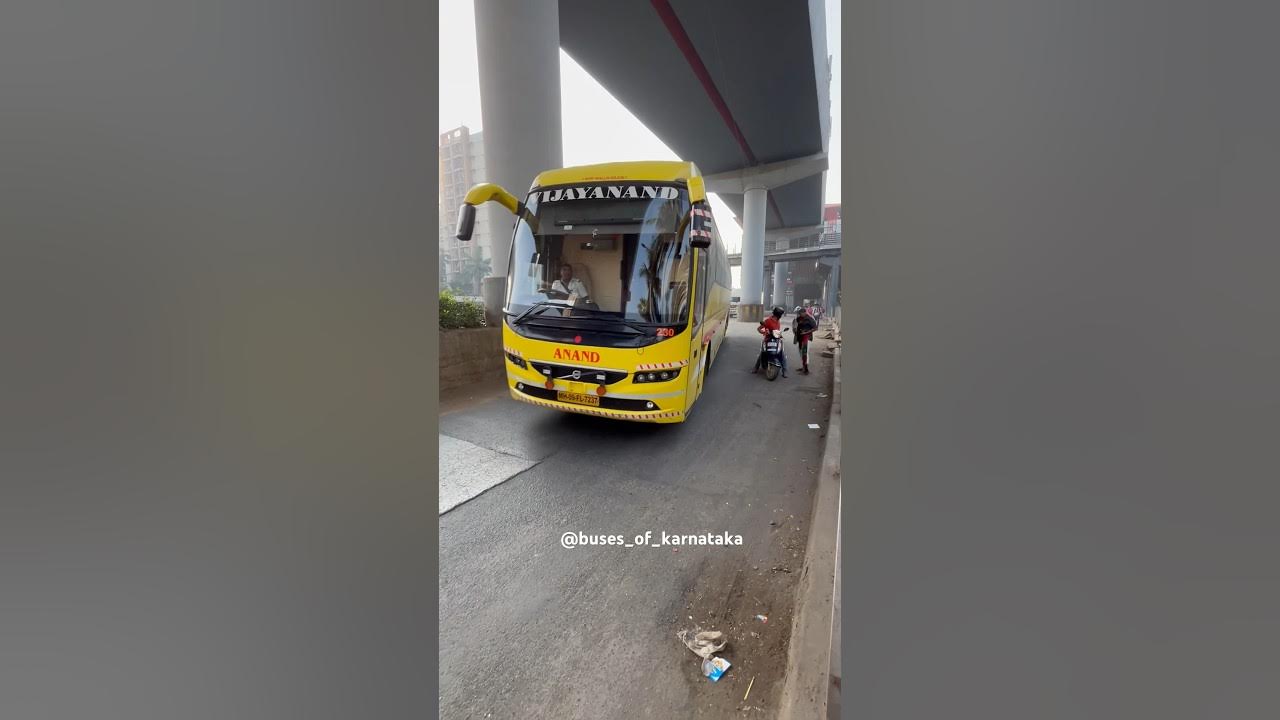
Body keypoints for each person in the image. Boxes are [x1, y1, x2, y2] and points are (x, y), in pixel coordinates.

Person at [752, 306, 788, 377]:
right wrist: (764, 332)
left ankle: (785, 370)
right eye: (781, 315)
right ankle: (756, 367)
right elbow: (759, 329)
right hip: (767, 339)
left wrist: (780, 335)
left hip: (776, 339)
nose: (781, 316)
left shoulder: (778, 321)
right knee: (763, 352)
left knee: (781, 353)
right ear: (779, 315)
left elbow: (777, 331)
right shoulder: (768, 321)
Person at [793, 306, 818, 374]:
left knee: (805, 352)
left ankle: (806, 369)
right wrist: (796, 333)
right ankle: (803, 366)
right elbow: (797, 326)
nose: (800, 314)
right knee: (800, 352)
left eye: (801, 313)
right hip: (800, 337)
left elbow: (815, 328)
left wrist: (806, 332)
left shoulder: (809, 319)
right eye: (799, 313)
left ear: (804, 312)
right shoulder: (799, 318)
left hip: (807, 337)